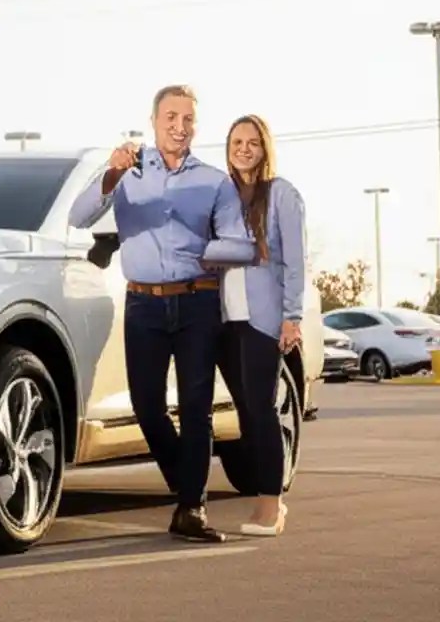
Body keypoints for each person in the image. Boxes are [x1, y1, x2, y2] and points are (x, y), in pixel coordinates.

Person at [70, 84, 255, 542]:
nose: (179, 126)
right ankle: (186, 483)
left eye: (187, 119)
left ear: (195, 125)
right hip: (142, 304)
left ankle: (191, 508)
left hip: (197, 302)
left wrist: (208, 251)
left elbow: (239, 240)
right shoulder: (127, 173)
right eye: (171, 117)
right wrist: (110, 176)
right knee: (146, 405)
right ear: (154, 121)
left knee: (196, 407)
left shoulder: (214, 181)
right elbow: (78, 217)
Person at [215, 113, 307, 537]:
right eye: (237, 141)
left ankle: (272, 506)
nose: (244, 148)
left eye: (252, 142)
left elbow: (294, 261)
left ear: (264, 148)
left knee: (262, 410)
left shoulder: (283, 195)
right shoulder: (222, 194)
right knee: (246, 415)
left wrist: (292, 317)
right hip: (223, 320)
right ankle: (261, 501)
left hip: (262, 319)